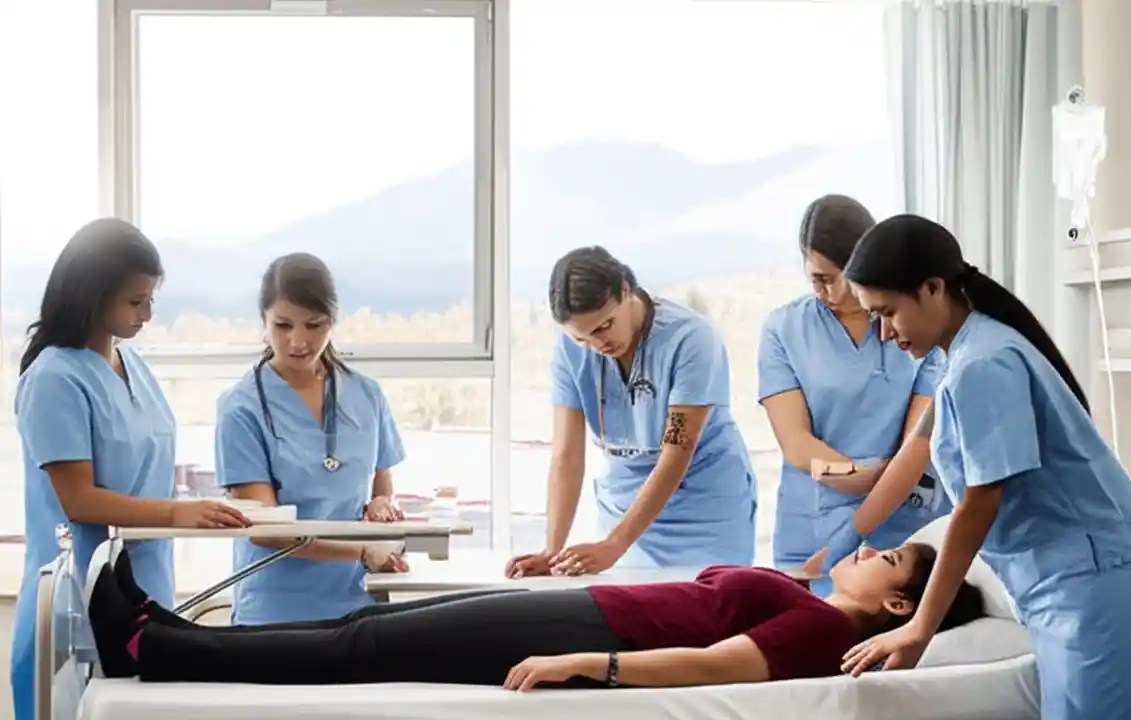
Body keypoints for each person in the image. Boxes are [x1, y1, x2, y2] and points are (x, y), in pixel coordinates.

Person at [838, 215, 1131, 719]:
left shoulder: (984, 362)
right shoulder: (970, 353)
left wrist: (921, 626)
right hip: (1076, 587)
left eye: (888, 312)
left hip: (1101, 587)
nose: (885, 333)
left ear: (933, 288)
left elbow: (980, 501)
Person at [86, 538, 984, 688]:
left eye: (889, 558)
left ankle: (150, 652)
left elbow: (717, 667)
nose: (873, 549)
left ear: (900, 604)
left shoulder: (829, 633)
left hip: (585, 636)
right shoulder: (816, 594)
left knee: (364, 644)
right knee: (366, 635)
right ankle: (171, 635)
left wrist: (582, 666)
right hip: (584, 607)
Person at [11, 218, 250, 720]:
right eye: (135, 301)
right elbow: (79, 501)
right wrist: (179, 514)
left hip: (143, 593)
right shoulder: (54, 378)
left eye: (150, 299)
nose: (147, 314)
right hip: (79, 602)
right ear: (92, 296)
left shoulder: (132, 364)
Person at [507, 247, 757, 577]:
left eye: (605, 325)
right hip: (624, 508)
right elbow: (567, 454)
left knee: (704, 613)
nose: (599, 344)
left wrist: (614, 545)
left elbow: (676, 451)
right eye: (583, 338)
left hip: (704, 507)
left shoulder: (691, 339)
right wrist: (552, 551)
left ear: (626, 290)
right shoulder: (570, 351)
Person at [758, 195, 948, 591]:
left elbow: (919, 443)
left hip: (902, 528)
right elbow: (796, 444)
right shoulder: (783, 330)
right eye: (821, 278)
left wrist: (885, 481)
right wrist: (865, 475)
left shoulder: (914, 322)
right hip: (813, 524)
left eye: (848, 273)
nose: (838, 290)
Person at [214, 252, 409, 625]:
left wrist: (382, 503)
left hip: (358, 606)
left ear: (332, 321)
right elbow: (266, 531)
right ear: (263, 321)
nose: (298, 341)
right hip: (274, 613)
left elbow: (380, 481)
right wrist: (363, 551)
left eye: (313, 325)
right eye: (283, 325)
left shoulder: (366, 395)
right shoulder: (241, 408)